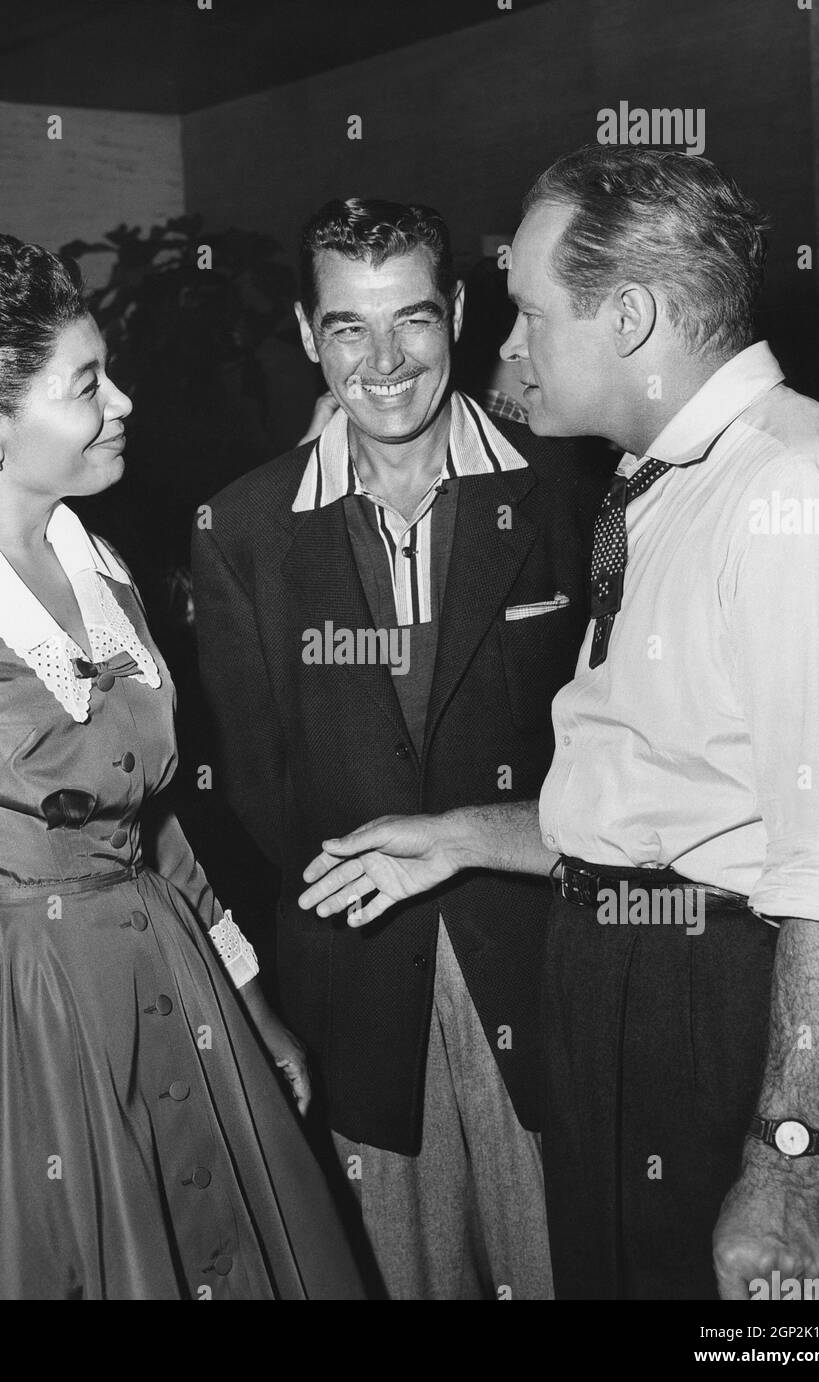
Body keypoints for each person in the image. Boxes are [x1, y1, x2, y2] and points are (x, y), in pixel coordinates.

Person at [298, 147, 819, 1301]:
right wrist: (464, 835)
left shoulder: (793, 489)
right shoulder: (658, 483)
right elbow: (664, 799)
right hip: (623, 987)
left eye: (525, 313)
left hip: (726, 1011)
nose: (504, 349)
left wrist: (785, 1163)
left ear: (628, 316)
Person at [0, 234, 363, 1301]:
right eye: (87, 386)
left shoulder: (102, 562)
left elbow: (152, 823)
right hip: (5, 1030)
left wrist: (252, 1004)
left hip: (171, 983)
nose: (123, 401)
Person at [191, 198, 608, 1299]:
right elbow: (259, 786)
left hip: (549, 973)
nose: (382, 363)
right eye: (347, 328)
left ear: (461, 313)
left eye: (413, 321)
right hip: (356, 985)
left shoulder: (570, 490)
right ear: (303, 331)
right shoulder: (239, 529)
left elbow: (618, 752)